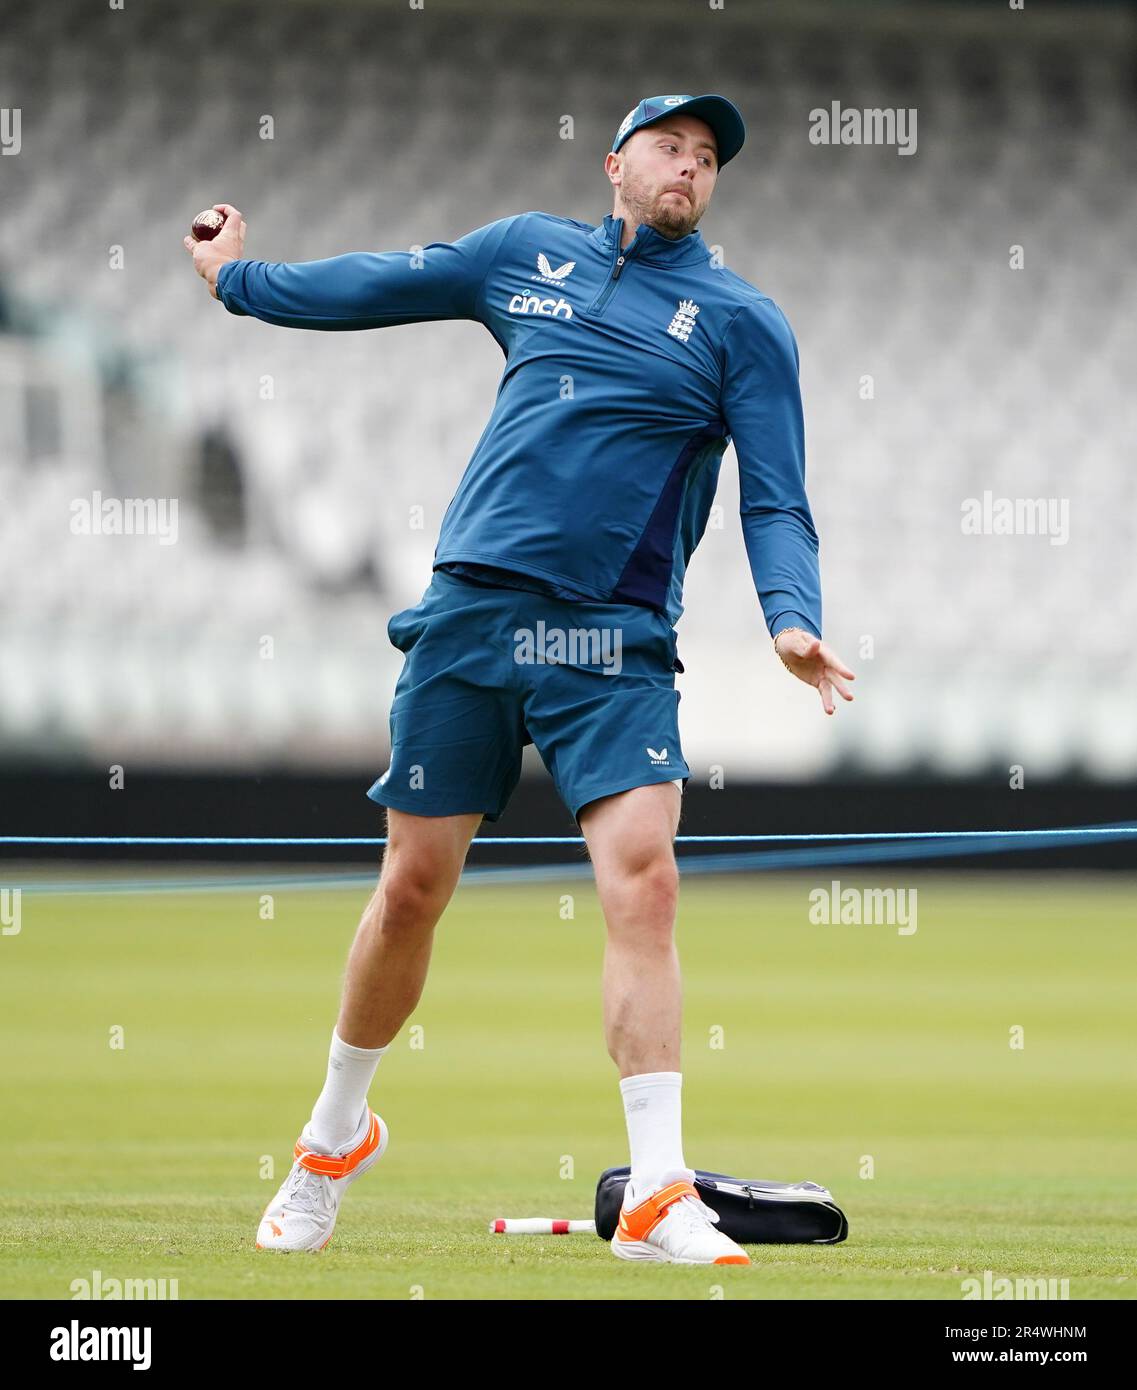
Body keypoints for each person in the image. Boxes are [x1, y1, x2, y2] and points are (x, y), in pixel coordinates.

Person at [185, 93, 854, 1265]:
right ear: (616, 163)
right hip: (471, 616)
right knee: (411, 889)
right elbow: (379, 286)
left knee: (643, 883)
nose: (689, 168)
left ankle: (657, 1192)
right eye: (670, 148)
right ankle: (333, 1140)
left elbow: (778, 497)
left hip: (615, 638)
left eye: (707, 158)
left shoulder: (746, 322)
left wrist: (792, 620)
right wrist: (240, 281)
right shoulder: (522, 253)